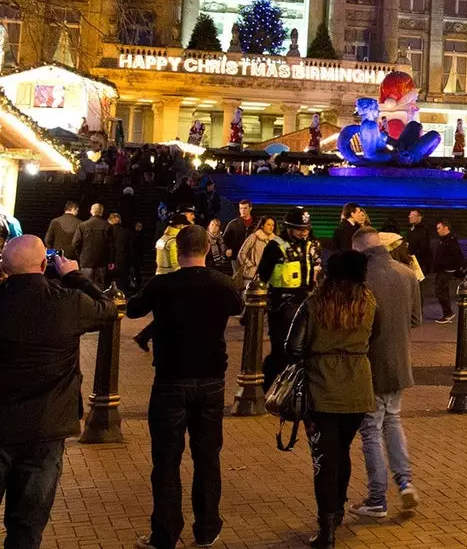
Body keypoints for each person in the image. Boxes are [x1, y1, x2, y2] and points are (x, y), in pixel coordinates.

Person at [124, 224, 242, 549]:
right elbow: (239, 307)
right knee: (207, 456)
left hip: (171, 379)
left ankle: (164, 532)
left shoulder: (162, 285)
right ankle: (206, 528)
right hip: (211, 380)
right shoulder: (222, 283)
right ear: (206, 249)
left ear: (178, 250)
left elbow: (134, 309)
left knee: (166, 460)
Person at [0, 236, 116, 549]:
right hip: (45, 427)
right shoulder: (68, 301)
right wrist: (75, 275)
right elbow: (109, 310)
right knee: (26, 527)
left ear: (4, 267)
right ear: (43, 264)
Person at [291, 250, 377, 548]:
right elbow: (374, 338)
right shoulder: (368, 303)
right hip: (357, 386)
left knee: (324, 459)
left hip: (321, 387)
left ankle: (326, 526)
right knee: (342, 449)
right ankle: (338, 508)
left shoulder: (314, 304)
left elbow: (293, 345)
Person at [350, 229, 423, 519]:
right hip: (399, 364)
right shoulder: (406, 273)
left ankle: (377, 497)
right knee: (392, 421)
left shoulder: (361, 278)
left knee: (370, 429)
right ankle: (404, 481)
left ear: (359, 250)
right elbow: (416, 319)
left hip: (370, 365)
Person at [259, 207, 317, 388]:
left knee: (302, 349)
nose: (304, 233)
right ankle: (267, 387)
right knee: (280, 350)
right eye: (300, 229)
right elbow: (262, 275)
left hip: (304, 303)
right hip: (281, 306)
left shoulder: (309, 245)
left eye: (306, 229)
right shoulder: (275, 246)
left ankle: (292, 390)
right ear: (289, 228)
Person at [429, 220, 464, 322]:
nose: (437, 231)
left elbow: (454, 256)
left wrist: (445, 265)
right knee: (442, 290)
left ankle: (448, 313)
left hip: (446, 270)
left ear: (446, 228)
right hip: (443, 269)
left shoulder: (450, 240)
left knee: (440, 290)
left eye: (439, 228)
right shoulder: (445, 240)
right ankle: (448, 313)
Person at [74, 204, 112, 289]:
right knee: (100, 286)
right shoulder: (107, 226)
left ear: (92, 211)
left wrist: (80, 254)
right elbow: (111, 245)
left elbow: (76, 242)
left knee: (85, 285)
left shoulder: (83, 225)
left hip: (86, 260)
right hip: (102, 261)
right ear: (101, 212)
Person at [154, 205, 196, 276]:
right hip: (169, 276)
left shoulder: (163, 238)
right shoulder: (174, 241)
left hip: (160, 274)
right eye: (183, 225)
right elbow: (175, 263)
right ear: (180, 225)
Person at [220, 201, 254, 266]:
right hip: (236, 256)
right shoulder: (233, 224)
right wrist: (227, 249)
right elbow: (224, 239)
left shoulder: (256, 224)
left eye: (245, 208)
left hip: (251, 256)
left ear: (250, 208)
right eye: (241, 208)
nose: (242, 210)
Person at [109, 210, 136, 292]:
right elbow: (131, 248)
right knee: (122, 283)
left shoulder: (108, 231)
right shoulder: (127, 232)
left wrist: (110, 261)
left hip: (110, 262)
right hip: (124, 260)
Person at [404, 211, 429, 277]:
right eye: (409, 215)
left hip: (418, 264)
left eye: (412, 215)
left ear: (419, 217)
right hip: (410, 262)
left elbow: (423, 249)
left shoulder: (423, 231)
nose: (409, 217)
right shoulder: (411, 229)